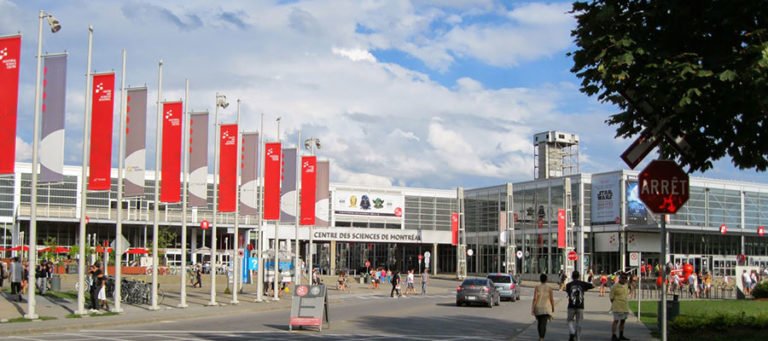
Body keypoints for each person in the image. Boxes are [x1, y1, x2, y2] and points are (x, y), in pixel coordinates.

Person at [565, 270, 594, 341]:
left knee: (569, 320)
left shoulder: (568, 285)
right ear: (579, 276)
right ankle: (578, 338)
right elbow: (592, 286)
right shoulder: (582, 284)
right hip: (580, 306)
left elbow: (568, 292)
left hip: (571, 306)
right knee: (579, 322)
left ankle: (572, 332)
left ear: (572, 276)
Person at [531, 273, 555, 341]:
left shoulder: (537, 287)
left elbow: (535, 298)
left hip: (538, 307)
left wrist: (533, 308)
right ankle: (542, 338)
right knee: (543, 324)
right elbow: (551, 299)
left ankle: (540, 337)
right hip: (546, 308)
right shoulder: (549, 288)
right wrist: (553, 307)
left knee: (539, 323)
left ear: (540, 279)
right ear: (546, 280)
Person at [610, 273, 631, 341]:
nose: (624, 279)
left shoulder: (626, 285)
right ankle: (614, 335)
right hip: (617, 306)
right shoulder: (615, 286)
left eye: (625, 278)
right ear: (620, 278)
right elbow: (611, 298)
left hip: (624, 306)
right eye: (623, 278)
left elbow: (628, 292)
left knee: (623, 321)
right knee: (616, 321)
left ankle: (621, 335)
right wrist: (615, 303)